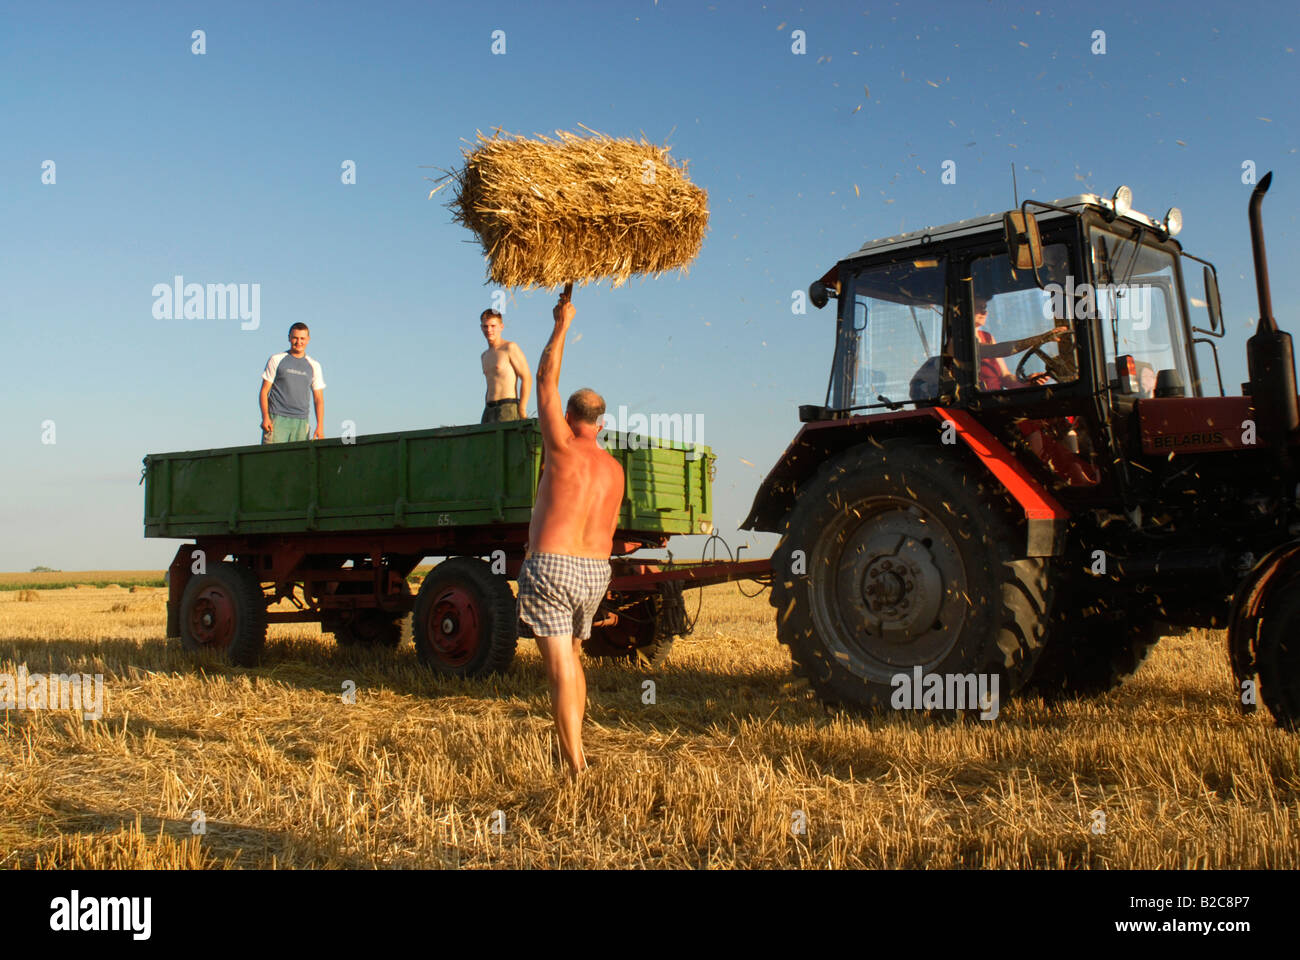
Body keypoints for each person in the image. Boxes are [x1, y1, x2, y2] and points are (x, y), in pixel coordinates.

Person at [516, 291, 625, 776]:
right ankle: (575, 749)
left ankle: (576, 765)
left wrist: (561, 324)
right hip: (595, 573)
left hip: (553, 565)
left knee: (558, 668)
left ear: (570, 419)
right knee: (575, 662)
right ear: (601, 424)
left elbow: (544, 379)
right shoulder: (615, 470)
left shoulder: (559, 445)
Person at [259, 323, 325, 443]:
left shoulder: (314, 365)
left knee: (299, 460)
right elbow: (264, 391)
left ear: (308, 340)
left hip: (301, 421)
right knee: (273, 459)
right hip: (277, 419)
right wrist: (265, 417)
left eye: (302, 338)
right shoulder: (276, 359)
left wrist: (320, 426)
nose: (298, 342)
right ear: (289, 337)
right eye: (295, 338)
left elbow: (318, 399)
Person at [480, 308, 532, 423]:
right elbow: (490, 384)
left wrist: (522, 409)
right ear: (481, 327)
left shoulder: (510, 347)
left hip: (507, 407)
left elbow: (527, 378)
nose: (489, 330)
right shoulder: (484, 356)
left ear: (501, 327)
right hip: (489, 409)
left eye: (493, 326)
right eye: (485, 326)